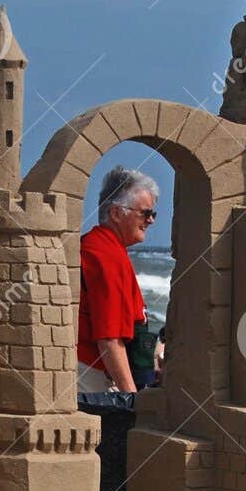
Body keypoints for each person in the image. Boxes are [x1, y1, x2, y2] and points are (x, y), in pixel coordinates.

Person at [77, 165, 157, 394]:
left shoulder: (100, 246)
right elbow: (109, 338)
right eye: (145, 213)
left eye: (153, 213)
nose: (151, 220)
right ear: (115, 213)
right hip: (91, 373)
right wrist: (130, 397)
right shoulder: (106, 255)